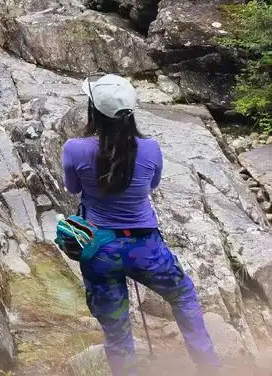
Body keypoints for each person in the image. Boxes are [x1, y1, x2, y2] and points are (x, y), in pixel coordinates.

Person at [62, 73, 219, 376]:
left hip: (99, 250)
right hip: (146, 247)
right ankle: (209, 367)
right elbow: (152, 184)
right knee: (183, 296)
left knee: (117, 332)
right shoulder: (151, 149)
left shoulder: (74, 149)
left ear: (93, 110)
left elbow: (72, 187)